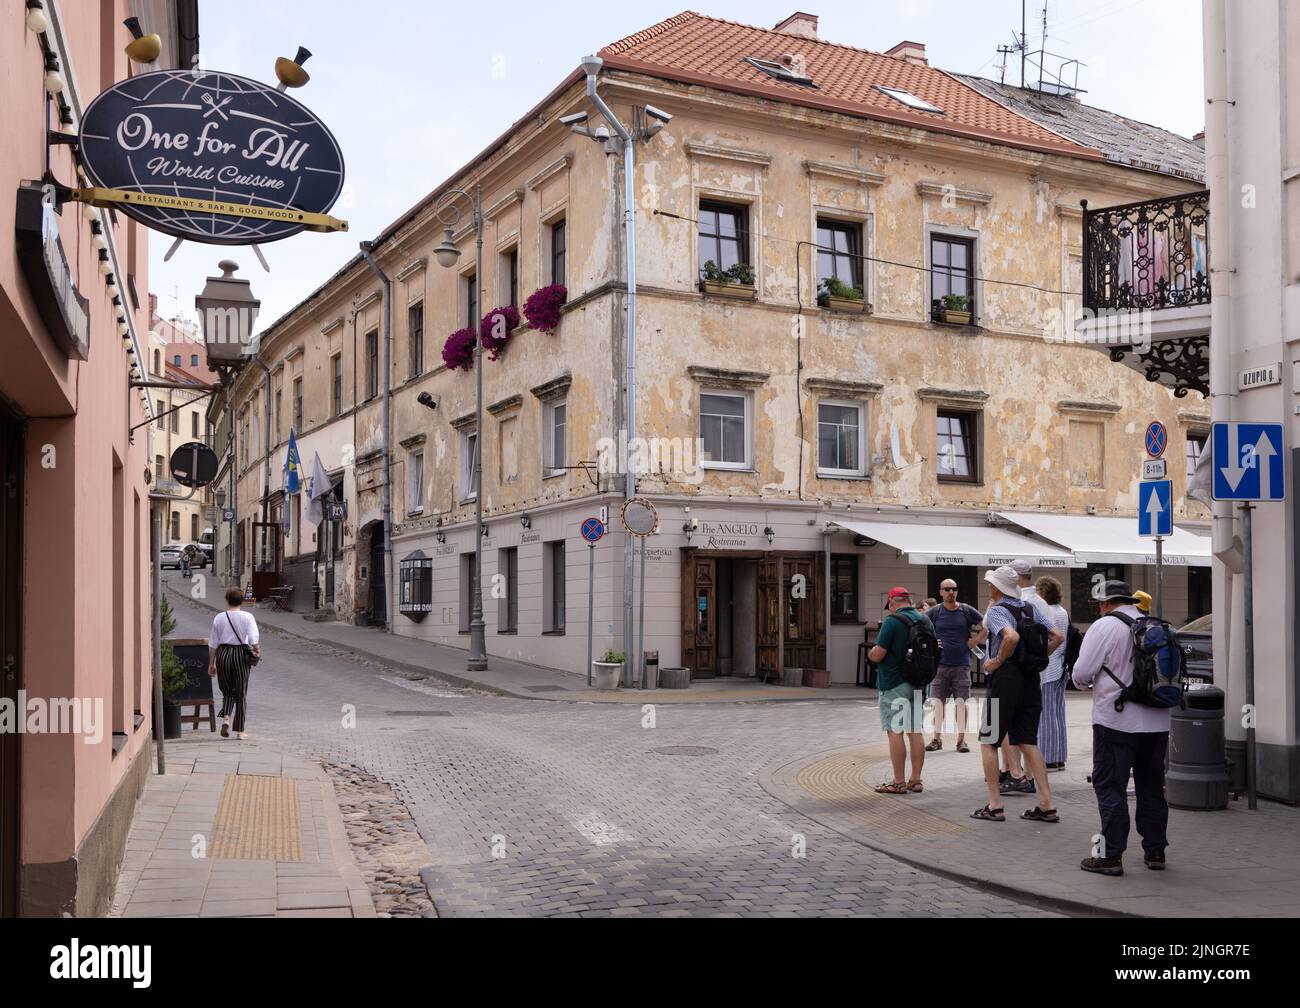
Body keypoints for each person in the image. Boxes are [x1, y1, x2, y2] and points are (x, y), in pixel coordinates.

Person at [1072, 581, 1172, 876]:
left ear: (1105, 604)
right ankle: (1155, 851)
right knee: (1152, 787)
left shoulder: (1103, 628)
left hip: (1115, 722)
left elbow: (1081, 674)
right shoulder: (1155, 625)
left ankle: (1111, 856)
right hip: (1157, 722)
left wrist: (1086, 684)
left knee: (1110, 786)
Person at [970, 565, 1063, 823]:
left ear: (996, 588)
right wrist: (1039, 659)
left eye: (990, 584)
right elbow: (1058, 635)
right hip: (1030, 679)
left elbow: (1009, 637)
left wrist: (997, 661)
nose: (988, 587)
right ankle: (1046, 804)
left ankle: (995, 805)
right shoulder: (1029, 608)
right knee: (1028, 741)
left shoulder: (999, 610)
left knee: (989, 740)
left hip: (1006, 678)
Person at [868, 587, 932, 795]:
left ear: (892, 603)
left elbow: (878, 654)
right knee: (915, 731)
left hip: (894, 682)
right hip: (919, 683)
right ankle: (916, 780)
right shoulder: (925, 620)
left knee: (895, 732)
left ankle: (898, 782)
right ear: (909, 601)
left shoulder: (891, 621)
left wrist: (871, 653)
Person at [924, 580, 986, 753]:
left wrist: (974, 641)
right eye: (947, 589)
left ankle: (961, 740)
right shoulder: (935, 612)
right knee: (938, 704)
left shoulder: (966, 610)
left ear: (957, 591)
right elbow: (920, 627)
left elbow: (986, 625)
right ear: (941, 592)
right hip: (940, 665)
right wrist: (930, 642)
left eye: (954, 589)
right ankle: (936, 739)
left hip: (962, 665)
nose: (951, 591)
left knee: (961, 703)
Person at [208, 586, 260, 739]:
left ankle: (226, 719)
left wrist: (212, 663)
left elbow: (213, 643)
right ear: (242, 601)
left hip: (223, 654)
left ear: (227, 600)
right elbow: (252, 639)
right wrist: (257, 650)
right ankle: (240, 731)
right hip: (240, 655)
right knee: (240, 692)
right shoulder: (248, 617)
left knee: (227, 691)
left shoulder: (219, 617)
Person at [1036, 576, 1072, 770]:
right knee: (1058, 714)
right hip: (1060, 667)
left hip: (1048, 669)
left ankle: (1048, 758)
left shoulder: (1047, 611)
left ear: (1043, 592)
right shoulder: (1062, 611)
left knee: (1047, 714)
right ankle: (1059, 756)